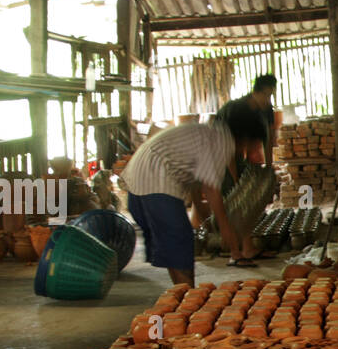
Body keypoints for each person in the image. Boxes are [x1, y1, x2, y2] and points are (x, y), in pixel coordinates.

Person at [119, 114, 248, 286]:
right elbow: (210, 188)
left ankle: (184, 296)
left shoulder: (203, 134)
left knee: (174, 245)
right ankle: (188, 300)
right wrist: (225, 229)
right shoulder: (220, 140)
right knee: (180, 243)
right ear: (244, 138)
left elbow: (196, 186)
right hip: (155, 178)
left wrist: (206, 219)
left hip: (138, 178)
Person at [215, 75, 278, 261]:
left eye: (271, 95)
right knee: (234, 202)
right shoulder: (236, 111)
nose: (268, 99)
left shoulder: (266, 110)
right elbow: (229, 148)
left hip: (241, 156)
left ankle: (248, 248)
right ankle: (234, 251)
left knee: (251, 202)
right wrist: (236, 180)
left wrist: (268, 168)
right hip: (220, 155)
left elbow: (267, 139)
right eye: (266, 95)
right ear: (255, 92)